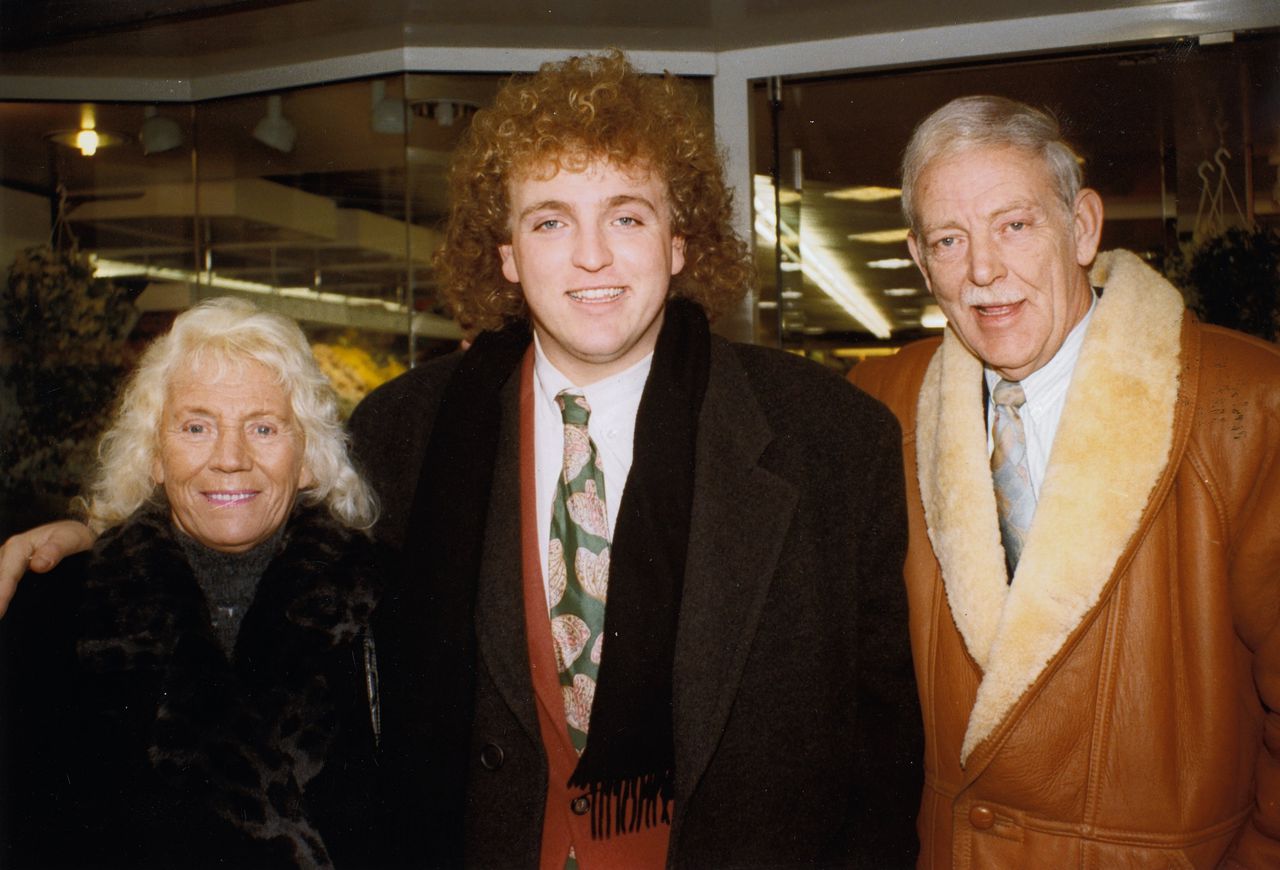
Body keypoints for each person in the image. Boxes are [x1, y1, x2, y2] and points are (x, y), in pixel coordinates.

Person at [1, 51, 923, 868]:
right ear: (508, 255)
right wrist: (99, 531)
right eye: (552, 220)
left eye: (628, 217)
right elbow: (258, 521)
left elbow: (883, 764)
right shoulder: (407, 431)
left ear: (681, 244)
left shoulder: (830, 441)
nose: (593, 255)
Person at [849, 95, 1280, 868]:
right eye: (951, 239)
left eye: (1015, 225)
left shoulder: (1246, 404)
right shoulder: (880, 407)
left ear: (1082, 226)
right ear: (920, 261)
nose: (984, 270)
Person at [2, 296, 383, 868]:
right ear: (155, 455)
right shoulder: (55, 607)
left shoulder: (387, 606)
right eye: (196, 426)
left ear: (308, 457)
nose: (229, 458)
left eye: (263, 426)